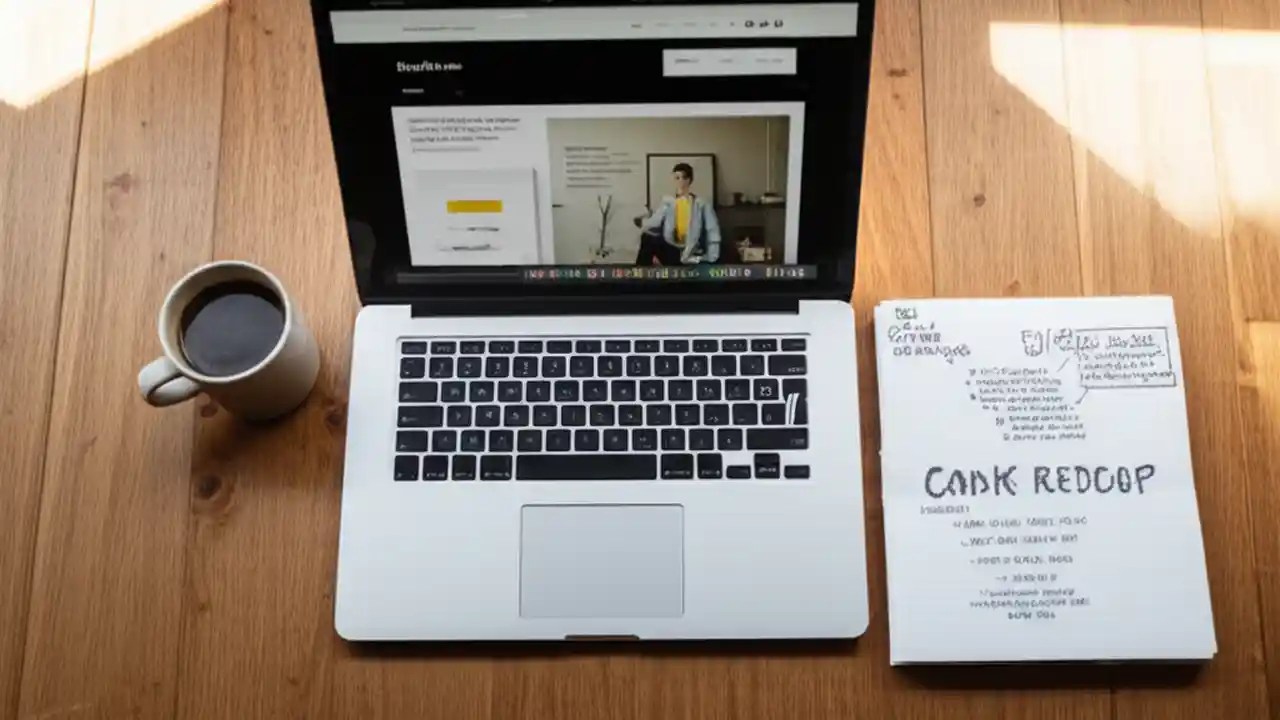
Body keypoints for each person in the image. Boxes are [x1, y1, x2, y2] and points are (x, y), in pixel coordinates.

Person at [634, 163, 721, 265]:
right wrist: (642, 221)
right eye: (676, 178)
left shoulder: (701, 204)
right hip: (672, 247)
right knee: (647, 238)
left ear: (688, 180)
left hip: (691, 250)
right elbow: (655, 221)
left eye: (682, 178)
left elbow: (712, 230)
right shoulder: (668, 202)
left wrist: (712, 256)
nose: (679, 181)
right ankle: (639, 276)